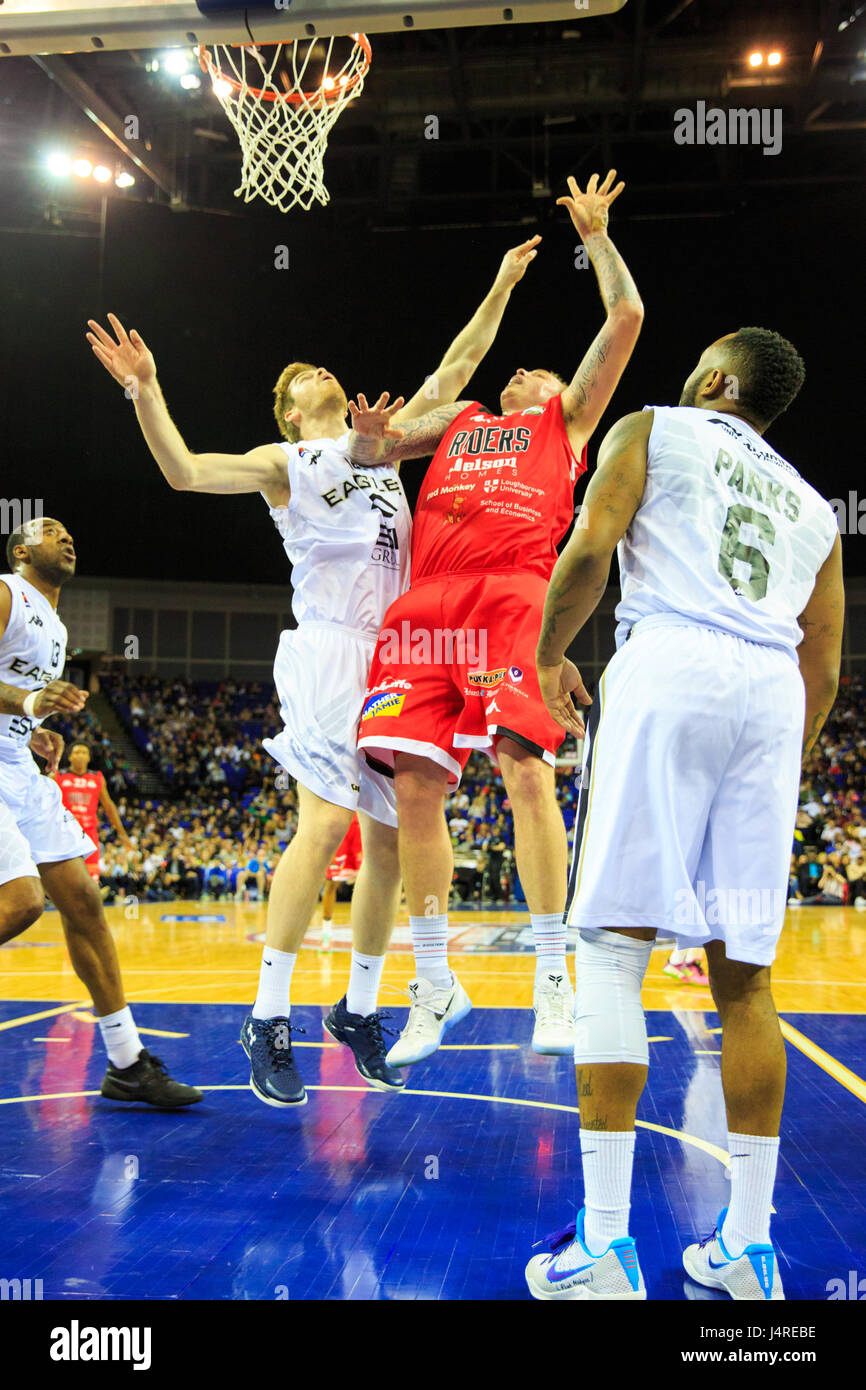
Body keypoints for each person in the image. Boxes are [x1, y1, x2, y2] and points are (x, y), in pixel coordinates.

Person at [86, 236, 541, 1102]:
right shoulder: (282, 463)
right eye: (302, 378)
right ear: (290, 412)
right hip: (331, 645)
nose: (320, 373)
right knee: (325, 826)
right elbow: (182, 472)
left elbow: (462, 359)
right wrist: (146, 389)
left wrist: (504, 279)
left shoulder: (386, 440)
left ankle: (359, 1009)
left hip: (398, 653)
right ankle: (265, 1016)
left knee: (389, 844)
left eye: (321, 367)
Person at [526, 327, 842, 1300]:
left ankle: (605, 1247)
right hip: (768, 695)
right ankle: (747, 1248)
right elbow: (822, 666)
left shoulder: (651, 426)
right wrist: (772, 748)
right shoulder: (810, 509)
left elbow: (588, 547)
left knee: (614, 952)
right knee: (743, 980)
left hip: (670, 661)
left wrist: (546, 655)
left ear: (713, 378)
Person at [349, 171, 644, 1064]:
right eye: (520, 367)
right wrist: (369, 438)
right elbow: (379, 448)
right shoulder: (466, 415)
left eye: (537, 367)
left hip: (514, 597)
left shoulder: (567, 422)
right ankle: (434, 986)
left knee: (524, 773)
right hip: (424, 609)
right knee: (413, 791)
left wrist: (593, 237)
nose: (523, 370)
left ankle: (555, 979)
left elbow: (624, 320)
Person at [0, 517, 202, 1108]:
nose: (65, 536)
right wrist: (30, 701)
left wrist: (33, 729)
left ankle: (127, 1063)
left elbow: (16, 699)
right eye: (48, 530)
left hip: (18, 764)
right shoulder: (6, 592)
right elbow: (18, 691)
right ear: (20, 550)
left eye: (68, 532)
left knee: (84, 903)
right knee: (22, 903)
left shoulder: (57, 627)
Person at [55, 741, 133, 883]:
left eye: (84, 752)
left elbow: (109, 806)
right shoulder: (58, 776)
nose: (80, 756)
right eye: (77, 752)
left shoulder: (97, 777)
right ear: (70, 757)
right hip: (65, 833)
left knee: (91, 880)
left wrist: (122, 833)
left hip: (89, 834)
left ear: (89, 758)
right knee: (67, 880)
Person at [319, 813, 362, 948]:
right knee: (332, 883)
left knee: (365, 883)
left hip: (363, 821)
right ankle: (326, 934)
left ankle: (364, 935)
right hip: (341, 820)